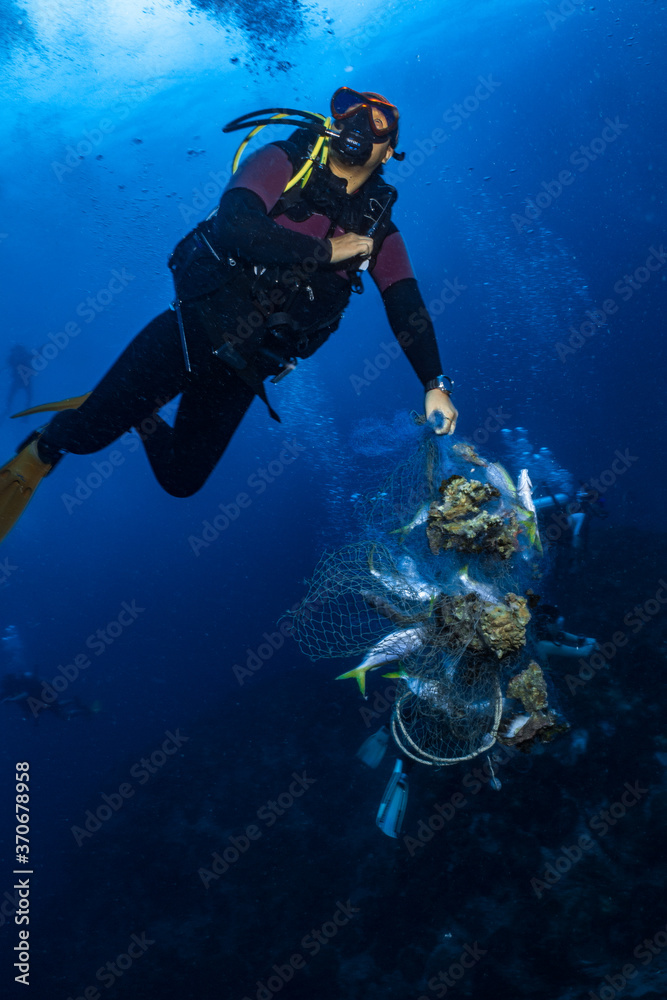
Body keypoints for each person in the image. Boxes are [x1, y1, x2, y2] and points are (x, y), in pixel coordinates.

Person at [0, 88, 458, 542]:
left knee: (182, 480)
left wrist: (434, 384)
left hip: (247, 366)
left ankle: (134, 411)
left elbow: (406, 303)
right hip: (195, 326)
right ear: (331, 120)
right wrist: (325, 250)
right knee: (87, 436)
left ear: (390, 152)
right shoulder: (283, 159)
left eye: (378, 121)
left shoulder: (379, 232)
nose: (360, 123)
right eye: (349, 110)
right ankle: (46, 444)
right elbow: (234, 225)